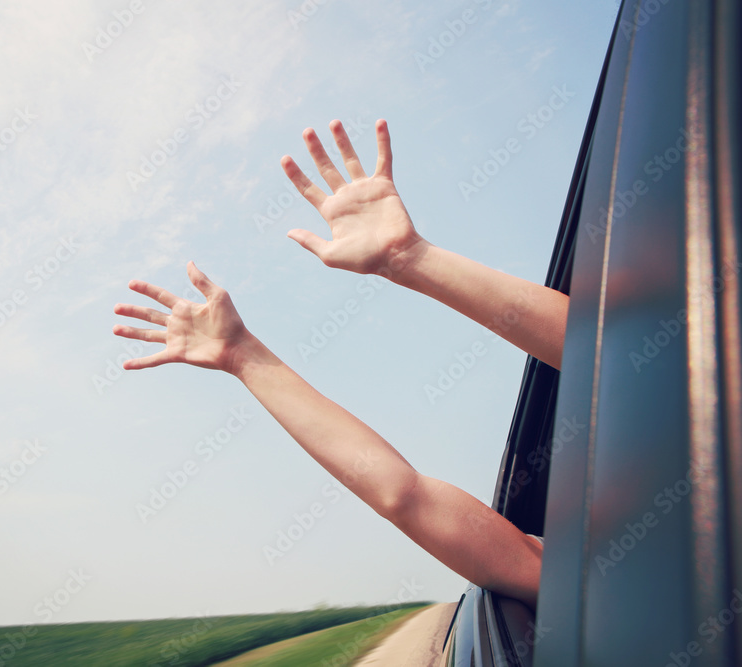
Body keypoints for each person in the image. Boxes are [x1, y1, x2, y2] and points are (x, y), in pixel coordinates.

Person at [112, 119, 569, 610]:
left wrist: (407, 258)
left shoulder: (590, 582)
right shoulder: (594, 580)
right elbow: (404, 494)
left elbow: (615, 352)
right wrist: (406, 258)